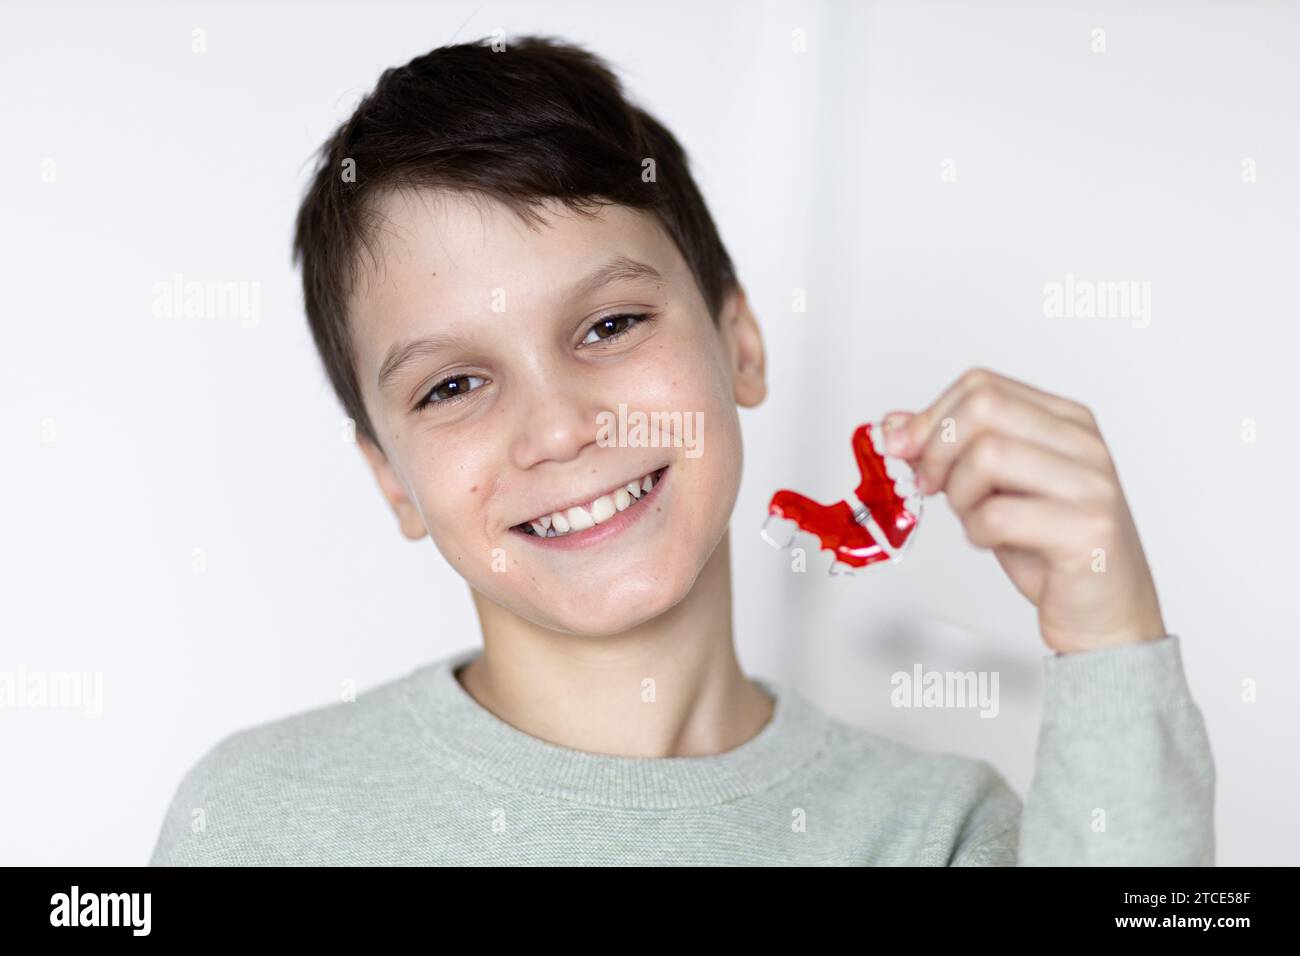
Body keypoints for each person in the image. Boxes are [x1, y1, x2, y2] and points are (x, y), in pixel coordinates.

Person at [149, 34, 1213, 865]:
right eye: (455, 384)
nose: (562, 426)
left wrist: (1112, 644)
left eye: (609, 326)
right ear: (393, 479)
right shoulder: (264, 821)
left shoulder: (935, 831)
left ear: (738, 344)